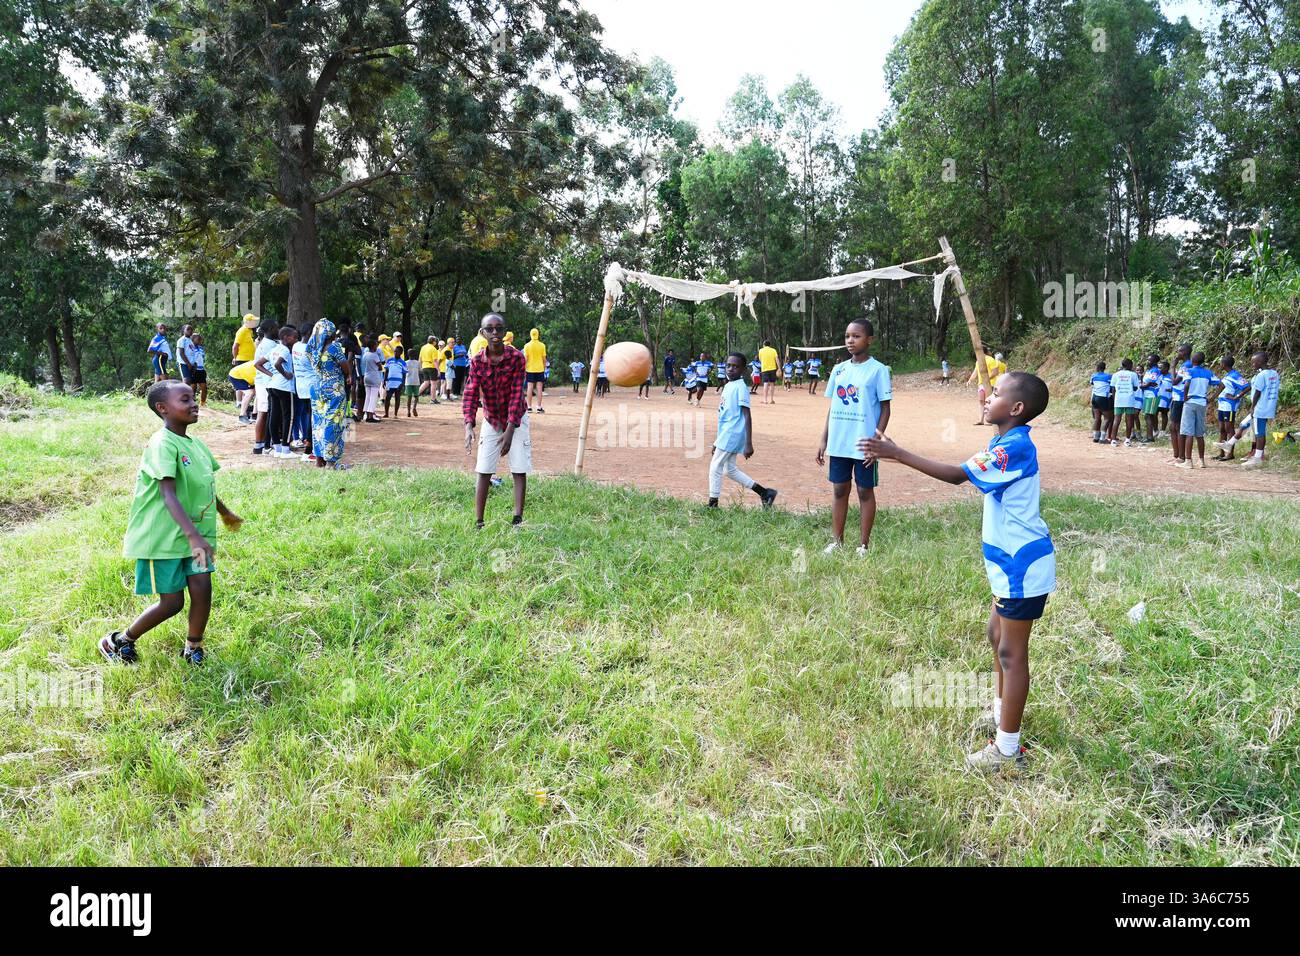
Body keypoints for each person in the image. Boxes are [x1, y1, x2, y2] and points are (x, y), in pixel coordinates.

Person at [863, 372, 1054, 772]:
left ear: (1017, 409)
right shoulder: (1006, 439)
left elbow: (955, 475)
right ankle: (1002, 712)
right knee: (995, 635)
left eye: (996, 394)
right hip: (1008, 564)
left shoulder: (1013, 448)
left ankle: (1007, 750)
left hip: (1021, 567)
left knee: (1011, 652)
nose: (986, 397)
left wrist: (896, 452)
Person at [100, 381, 242, 667]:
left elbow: (205, 487)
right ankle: (119, 641)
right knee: (172, 603)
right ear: (162, 408)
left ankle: (193, 648)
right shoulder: (162, 443)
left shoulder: (195, 445)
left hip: (197, 536)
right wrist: (192, 536)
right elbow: (168, 494)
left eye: (193, 398)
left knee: (203, 589)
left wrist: (225, 512)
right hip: (165, 538)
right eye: (185, 399)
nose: (193, 403)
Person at [816, 319, 891, 555]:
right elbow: (832, 407)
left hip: (864, 443)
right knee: (839, 490)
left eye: (856, 336)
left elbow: (886, 408)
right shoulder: (839, 370)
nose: (850, 340)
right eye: (847, 336)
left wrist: (876, 441)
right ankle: (836, 541)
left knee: (864, 491)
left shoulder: (879, 370)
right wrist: (823, 439)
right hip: (839, 443)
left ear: (870, 339)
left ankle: (863, 545)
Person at [463, 313, 530, 528]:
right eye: (489, 329)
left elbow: (517, 394)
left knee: (519, 467)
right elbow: (471, 393)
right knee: (484, 469)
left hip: (516, 418)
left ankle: (517, 518)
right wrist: (468, 424)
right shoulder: (476, 362)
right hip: (491, 419)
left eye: (498, 329)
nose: (494, 333)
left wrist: (510, 429)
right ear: (482, 333)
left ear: (504, 332)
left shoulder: (517, 358)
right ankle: (479, 521)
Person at [707, 352, 779, 509]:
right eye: (728, 365)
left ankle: (713, 504)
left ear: (743, 369)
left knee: (715, 466)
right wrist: (716, 440)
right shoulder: (728, 386)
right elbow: (723, 416)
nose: (731, 369)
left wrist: (749, 443)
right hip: (726, 432)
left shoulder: (741, 388)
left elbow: (747, 415)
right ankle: (765, 493)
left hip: (733, 433)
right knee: (729, 469)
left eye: (735, 366)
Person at [306, 319, 352, 470]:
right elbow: (344, 365)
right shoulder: (334, 347)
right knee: (334, 422)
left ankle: (319, 461)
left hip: (316, 387)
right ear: (332, 333)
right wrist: (348, 375)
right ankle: (331, 463)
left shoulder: (311, 349)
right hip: (334, 388)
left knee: (318, 423)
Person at [262, 325, 297, 458]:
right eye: (294, 337)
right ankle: (286, 449)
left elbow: (258, 364)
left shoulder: (273, 349)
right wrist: (285, 374)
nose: (295, 339)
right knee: (289, 416)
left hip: (273, 386)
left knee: (274, 416)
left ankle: (277, 448)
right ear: (286, 338)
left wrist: (272, 375)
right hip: (284, 387)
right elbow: (277, 364)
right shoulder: (285, 350)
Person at [1176, 351, 1216, 469]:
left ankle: (1188, 461)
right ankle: (1201, 461)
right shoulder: (1208, 373)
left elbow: (1187, 384)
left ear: (1192, 361)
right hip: (1202, 402)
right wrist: (1212, 398)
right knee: (1199, 434)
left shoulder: (1189, 371)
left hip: (1191, 402)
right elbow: (1221, 385)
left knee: (1188, 432)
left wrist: (1185, 397)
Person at [1241, 352, 1281, 468]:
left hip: (1260, 408)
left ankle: (1257, 458)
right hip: (1269, 407)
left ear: (1260, 362)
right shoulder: (1274, 373)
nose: (1252, 364)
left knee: (1259, 433)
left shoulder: (1261, 375)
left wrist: (1253, 407)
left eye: (1254, 362)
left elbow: (1257, 393)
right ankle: (1258, 456)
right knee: (1261, 432)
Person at [250, 319, 280, 454]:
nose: (278, 330)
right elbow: (259, 364)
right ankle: (258, 444)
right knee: (263, 412)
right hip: (264, 383)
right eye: (276, 328)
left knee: (267, 413)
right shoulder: (269, 345)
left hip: (265, 382)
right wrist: (272, 375)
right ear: (271, 329)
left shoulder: (268, 343)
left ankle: (263, 442)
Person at [1213, 355, 1248, 461]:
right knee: (1222, 429)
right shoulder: (1228, 375)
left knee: (1229, 429)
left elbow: (1247, 386)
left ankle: (1230, 454)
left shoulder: (1235, 375)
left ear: (1224, 364)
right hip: (1222, 405)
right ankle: (1222, 453)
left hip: (1229, 406)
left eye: (1220, 363)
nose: (1219, 365)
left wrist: (1236, 397)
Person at [290, 328, 317, 457]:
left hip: (300, 385)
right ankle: (309, 445)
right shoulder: (309, 349)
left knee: (306, 413)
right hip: (311, 385)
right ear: (309, 334)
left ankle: (305, 439)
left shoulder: (296, 346)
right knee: (311, 415)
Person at [1167, 343, 1192, 463]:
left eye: (1179, 351)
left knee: (1175, 427)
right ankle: (1176, 455)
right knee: (1174, 427)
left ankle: (1180, 456)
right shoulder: (1185, 365)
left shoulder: (1186, 365)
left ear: (1185, 353)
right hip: (1177, 398)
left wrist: (1172, 367)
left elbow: (1174, 381)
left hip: (1180, 399)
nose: (1177, 354)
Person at [1108, 358, 1140, 447]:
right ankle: (1127, 440)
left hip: (1119, 400)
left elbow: (1113, 388)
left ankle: (1113, 440)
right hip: (1129, 400)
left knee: (1117, 419)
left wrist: (1115, 399)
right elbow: (1135, 387)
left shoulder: (1116, 374)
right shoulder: (1133, 374)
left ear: (1122, 365)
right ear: (1130, 365)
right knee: (1129, 420)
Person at [967, 346, 1000, 425]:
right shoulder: (978, 361)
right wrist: (970, 380)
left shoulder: (990, 360)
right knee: (981, 401)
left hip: (990, 384)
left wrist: (987, 379)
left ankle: (989, 420)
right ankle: (981, 420)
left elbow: (995, 372)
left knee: (989, 402)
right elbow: (975, 372)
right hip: (981, 384)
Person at [1087, 361, 1113, 443]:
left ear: (1097, 368)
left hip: (1094, 397)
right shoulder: (1109, 376)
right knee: (1107, 418)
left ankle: (1095, 437)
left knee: (1097, 418)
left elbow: (1092, 384)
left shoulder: (1093, 376)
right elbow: (1112, 387)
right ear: (1105, 368)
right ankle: (1102, 438)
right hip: (1103, 398)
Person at [523, 327, 547, 413]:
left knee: (530, 387)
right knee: (539, 388)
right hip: (540, 369)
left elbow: (525, 359)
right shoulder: (542, 345)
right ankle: (539, 407)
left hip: (530, 369)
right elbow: (544, 359)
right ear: (538, 334)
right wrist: (544, 368)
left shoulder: (527, 346)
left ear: (530, 335)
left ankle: (529, 407)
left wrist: (524, 368)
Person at [360, 335, 383, 423]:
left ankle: (366, 414)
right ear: (373, 346)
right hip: (374, 377)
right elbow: (380, 367)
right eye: (376, 345)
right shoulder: (375, 355)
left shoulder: (365, 354)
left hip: (366, 376)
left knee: (368, 396)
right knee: (373, 397)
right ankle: (370, 416)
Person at [228, 359, 256, 424]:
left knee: (255, 393)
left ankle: (254, 416)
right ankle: (242, 416)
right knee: (250, 393)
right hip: (236, 376)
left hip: (245, 377)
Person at [383, 344, 406, 418]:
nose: (395, 352)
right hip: (390, 382)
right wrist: (384, 380)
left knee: (397, 397)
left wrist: (403, 383)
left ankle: (395, 414)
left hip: (398, 382)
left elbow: (404, 374)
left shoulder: (403, 362)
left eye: (397, 351)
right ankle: (386, 413)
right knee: (387, 397)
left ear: (401, 353)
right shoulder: (389, 360)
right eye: (395, 351)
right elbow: (386, 370)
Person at [187, 333, 209, 407]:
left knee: (204, 387)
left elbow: (202, 358)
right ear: (192, 340)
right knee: (193, 387)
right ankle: (191, 403)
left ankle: (202, 403)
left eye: (200, 339)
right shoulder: (190, 348)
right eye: (198, 339)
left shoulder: (201, 348)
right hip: (193, 369)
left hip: (201, 370)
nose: (200, 341)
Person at [419, 335, 441, 401]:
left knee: (426, 383)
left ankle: (416, 394)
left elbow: (420, 358)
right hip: (431, 367)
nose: (436, 343)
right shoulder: (433, 349)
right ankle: (433, 399)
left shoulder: (423, 347)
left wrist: (420, 367)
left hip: (424, 366)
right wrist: (438, 370)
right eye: (436, 341)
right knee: (433, 383)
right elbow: (435, 361)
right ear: (433, 342)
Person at [758, 339, 780, 404]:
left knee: (765, 383)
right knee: (772, 383)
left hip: (764, 369)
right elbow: (777, 359)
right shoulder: (773, 350)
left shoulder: (761, 350)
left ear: (764, 345)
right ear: (770, 345)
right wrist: (779, 368)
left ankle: (765, 400)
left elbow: (760, 359)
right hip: (773, 368)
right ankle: (772, 399)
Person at [404, 345, 421, 417]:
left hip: (408, 381)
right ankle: (414, 408)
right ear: (415, 355)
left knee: (409, 397)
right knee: (416, 396)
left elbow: (404, 371)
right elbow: (420, 370)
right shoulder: (417, 363)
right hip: (416, 381)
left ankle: (408, 412)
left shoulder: (406, 362)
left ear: (408, 355)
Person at [1156, 360, 1173, 437]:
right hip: (1157, 397)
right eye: (1158, 367)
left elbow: (1177, 386)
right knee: (1154, 413)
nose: (1159, 369)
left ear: (1166, 368)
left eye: (1161, 367)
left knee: (1164, 414)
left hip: (1166, 398)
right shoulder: (1158, 376)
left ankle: (1163, 431)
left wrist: (1171, 389)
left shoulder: (1171, 377)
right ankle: (1155, 430)